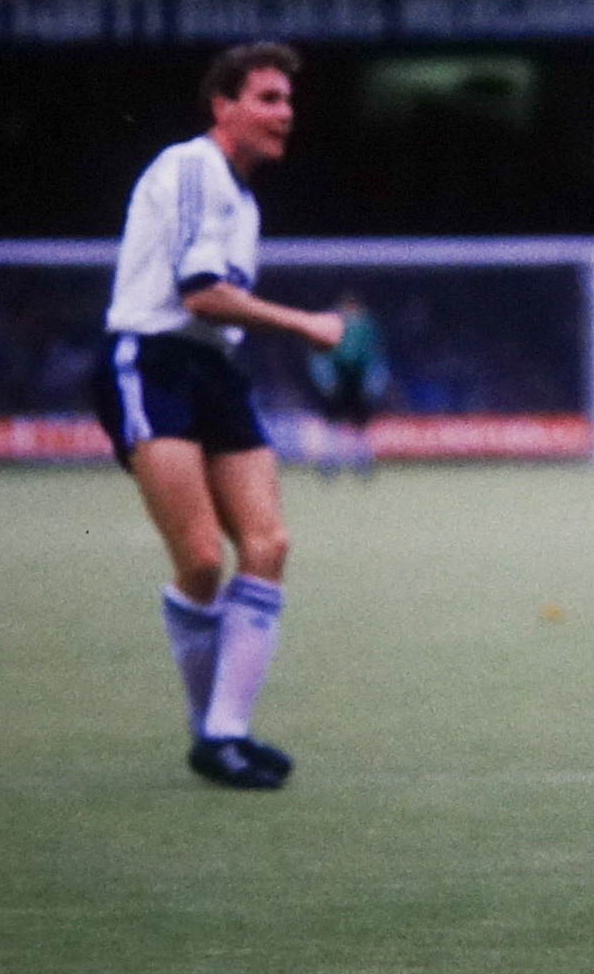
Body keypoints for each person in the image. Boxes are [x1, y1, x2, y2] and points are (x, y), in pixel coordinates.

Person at [91, 43, 344, 790]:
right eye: (267, 98)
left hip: (210, 367)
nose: (284, 114)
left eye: (287, 101)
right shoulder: (195, 168)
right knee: (202, 559)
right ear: (222, 105)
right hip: (152, 357)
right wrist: (305, 323)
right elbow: (200, 292)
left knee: (266, 543)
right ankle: (214, 735)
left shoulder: (245, 200)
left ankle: (224, 734)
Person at [305, 292, 389, 477]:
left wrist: (374, 381)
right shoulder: (333, 323)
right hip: (338, 379)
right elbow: (319, 355)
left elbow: (375, 355)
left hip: (357, 381)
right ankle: (329, 463)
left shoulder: (366, 325)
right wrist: (326, 378)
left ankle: (362, 463)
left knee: (360, 423)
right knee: (332, 422)